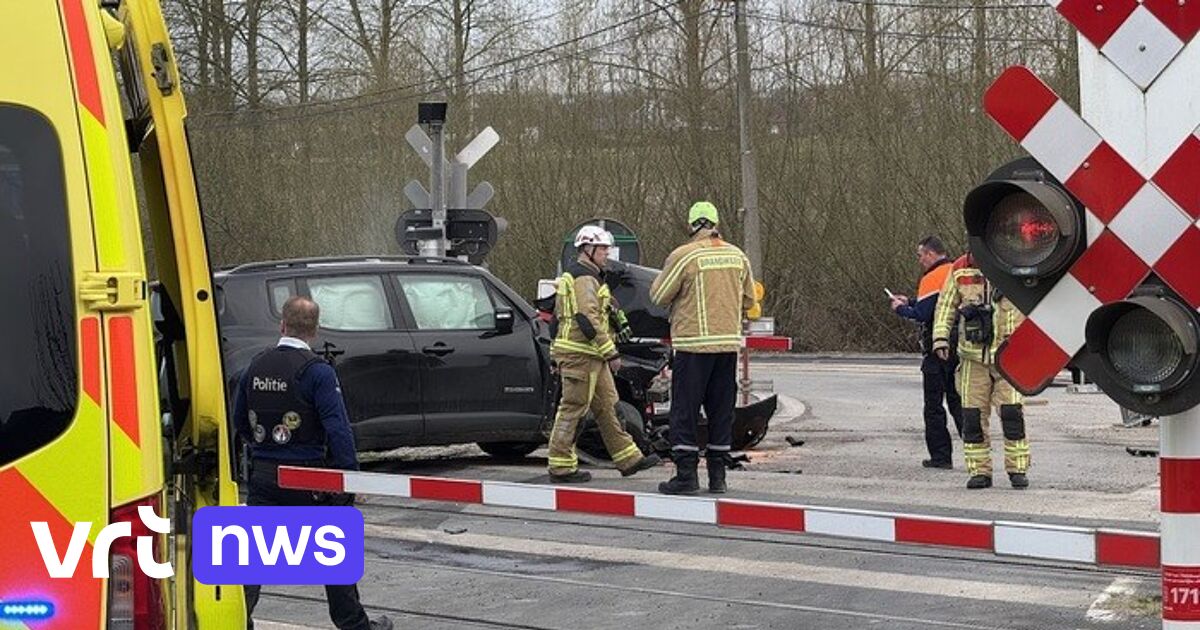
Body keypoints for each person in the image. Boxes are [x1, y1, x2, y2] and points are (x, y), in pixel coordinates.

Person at [232, 296, 392, 630]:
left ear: (282, 325)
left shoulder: (255, 366)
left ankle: (236, 621)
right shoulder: (317, 372)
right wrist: (351, 478)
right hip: (309, 478)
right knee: (333, 553)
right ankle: (354, 626)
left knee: (252, 560)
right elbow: (337, 427)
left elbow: (240, 421)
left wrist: (261, 450)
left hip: (264, 476)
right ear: (315, 330)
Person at [651, 201, 757, 495]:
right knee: (721, 411)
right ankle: (718, 478)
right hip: (726, 346)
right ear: (715, 224)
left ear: (692, 225)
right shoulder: (738, 256)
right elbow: (750, 301)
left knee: (685, 410)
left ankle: (686, 476)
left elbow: (659, 294)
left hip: (692, 346)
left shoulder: (685, 256)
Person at [546, 225, 661, 482]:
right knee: (573, 408)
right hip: (581, 354)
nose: (607, 254)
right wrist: (611, 353)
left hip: (591, 354)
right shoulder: (583, 278)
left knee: (609, 407)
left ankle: (628, 458)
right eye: (603, 249)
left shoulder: (587, 276)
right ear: (587, 249)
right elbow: (588, 319)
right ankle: (561, 466)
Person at [931, 252, 1030, 490]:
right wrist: (940, 338)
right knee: (972, 417)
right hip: (972, 358)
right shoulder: (960, 268)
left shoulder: (1019, 263)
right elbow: (945, 305)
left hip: (1009, 357)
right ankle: (979, 471)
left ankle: (1017, 469)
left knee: (1011, 413)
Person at [890, 235, 963, 470]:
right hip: (960, 346)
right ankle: (975, 450)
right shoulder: (956, 270)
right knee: (958, 401)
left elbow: (923, 314)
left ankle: (941, 456)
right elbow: (936, 304)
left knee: (933, 406)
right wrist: (911, 300)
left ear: (931, 254)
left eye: (921, 255)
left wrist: (901, 308)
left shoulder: (932, 276)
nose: (920, 260)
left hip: (937, 347)